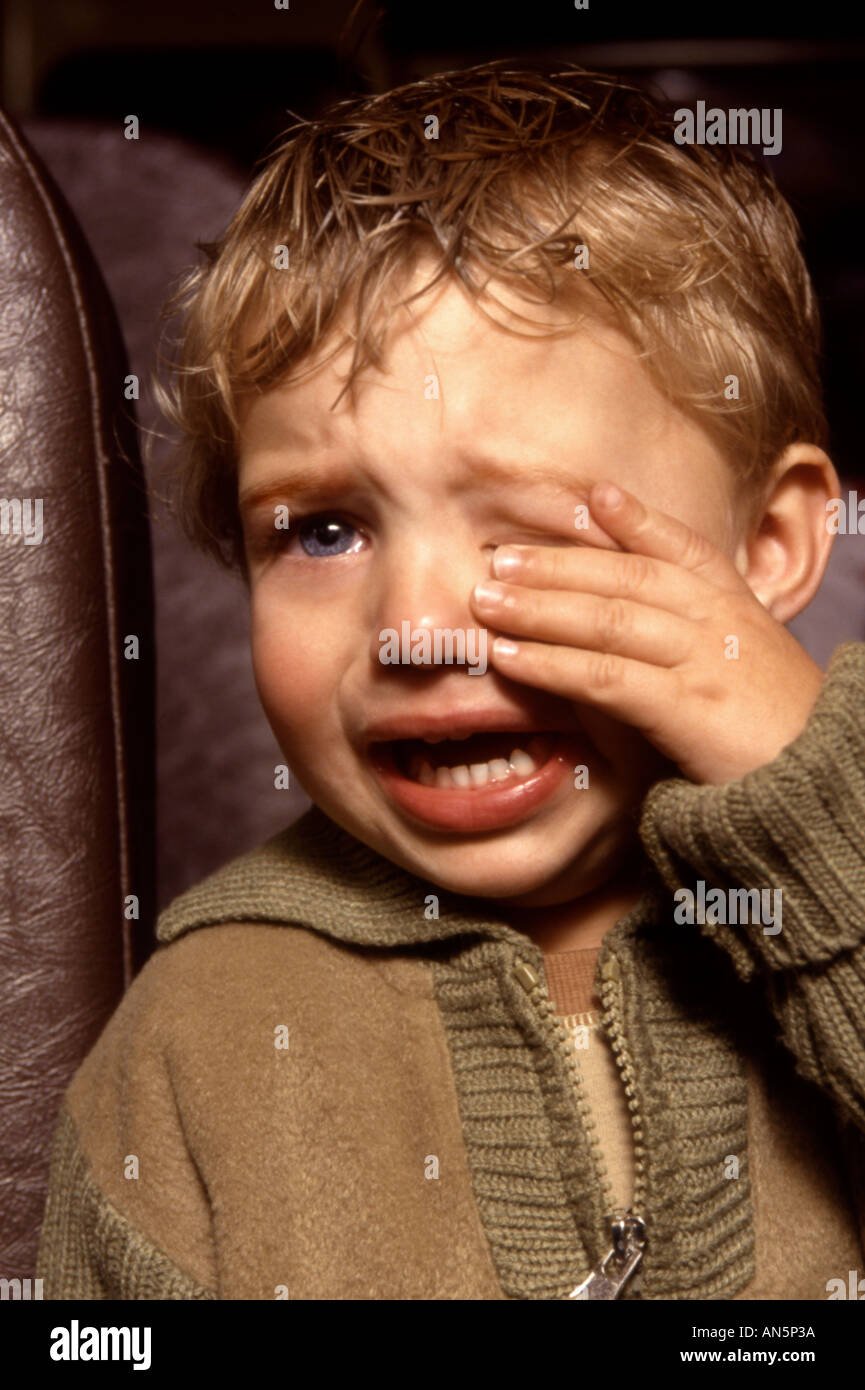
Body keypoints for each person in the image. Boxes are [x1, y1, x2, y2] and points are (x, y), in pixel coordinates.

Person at [37, 59, 865, 1300]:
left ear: (769, 547)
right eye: (322, 532)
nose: (418, 630)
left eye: (527, 525)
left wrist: (814, 817)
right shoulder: (194, 1043)